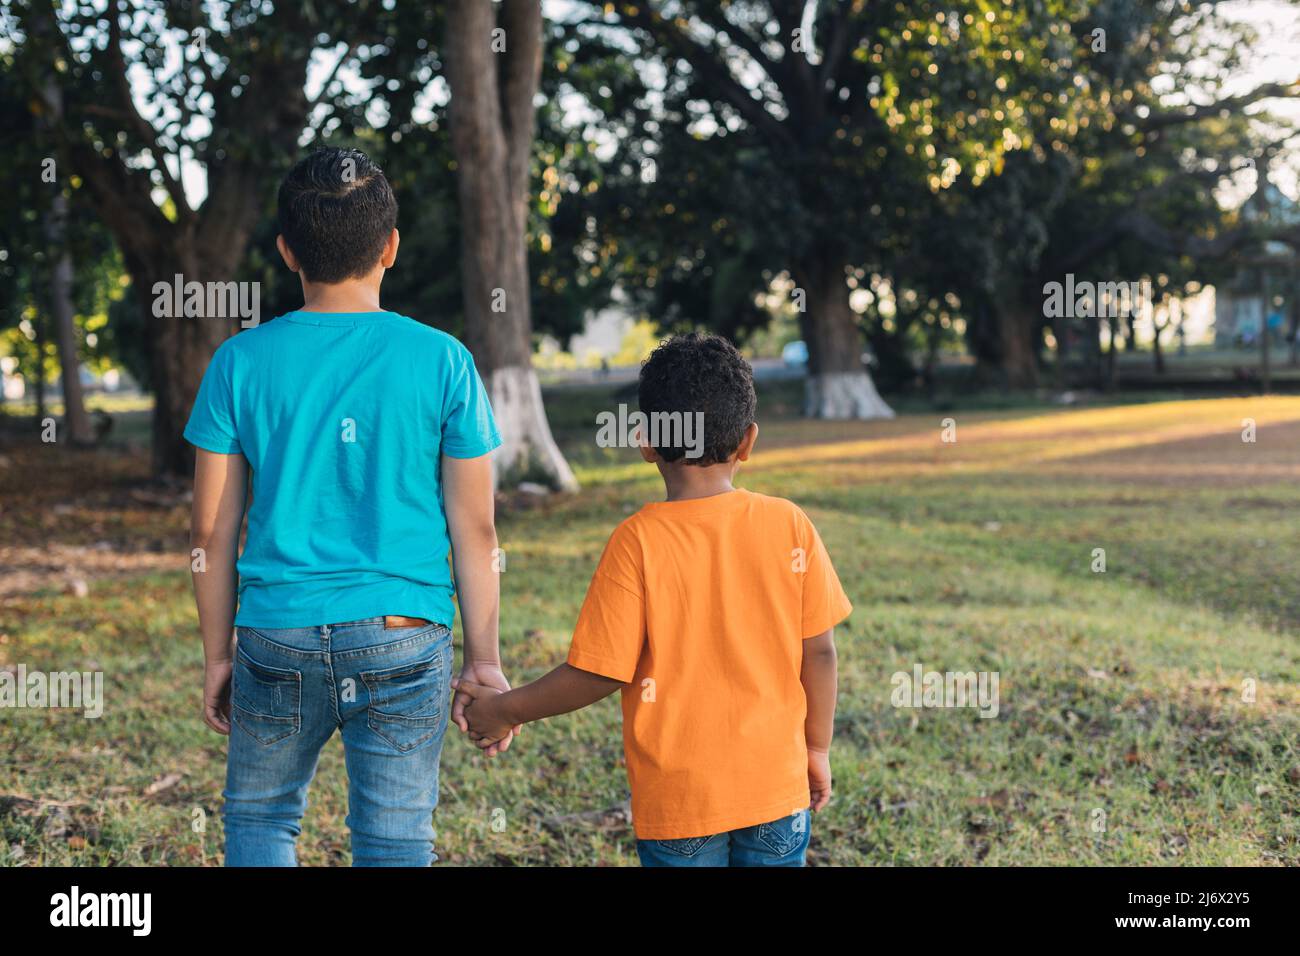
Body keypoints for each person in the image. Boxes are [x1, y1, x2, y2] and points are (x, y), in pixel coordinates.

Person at [186, 146, 513, 866]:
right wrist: (483, 659)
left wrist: (217, 656)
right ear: (391, 246)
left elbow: (211, 530)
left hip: (276, 636)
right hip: (404, 631)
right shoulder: (444, 360)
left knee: (261, 822)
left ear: (285, 251)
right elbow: (476, 526)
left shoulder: (238, 363)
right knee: (396, 840)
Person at [456, 332, 851, 866]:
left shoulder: (637, 541)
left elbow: (598, 673)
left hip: (680, 803)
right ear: (748, 442)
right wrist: (817, 749)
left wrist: (503, 709)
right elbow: (820, 652)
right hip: (776, 793)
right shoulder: (789, 525)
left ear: (644, 441)